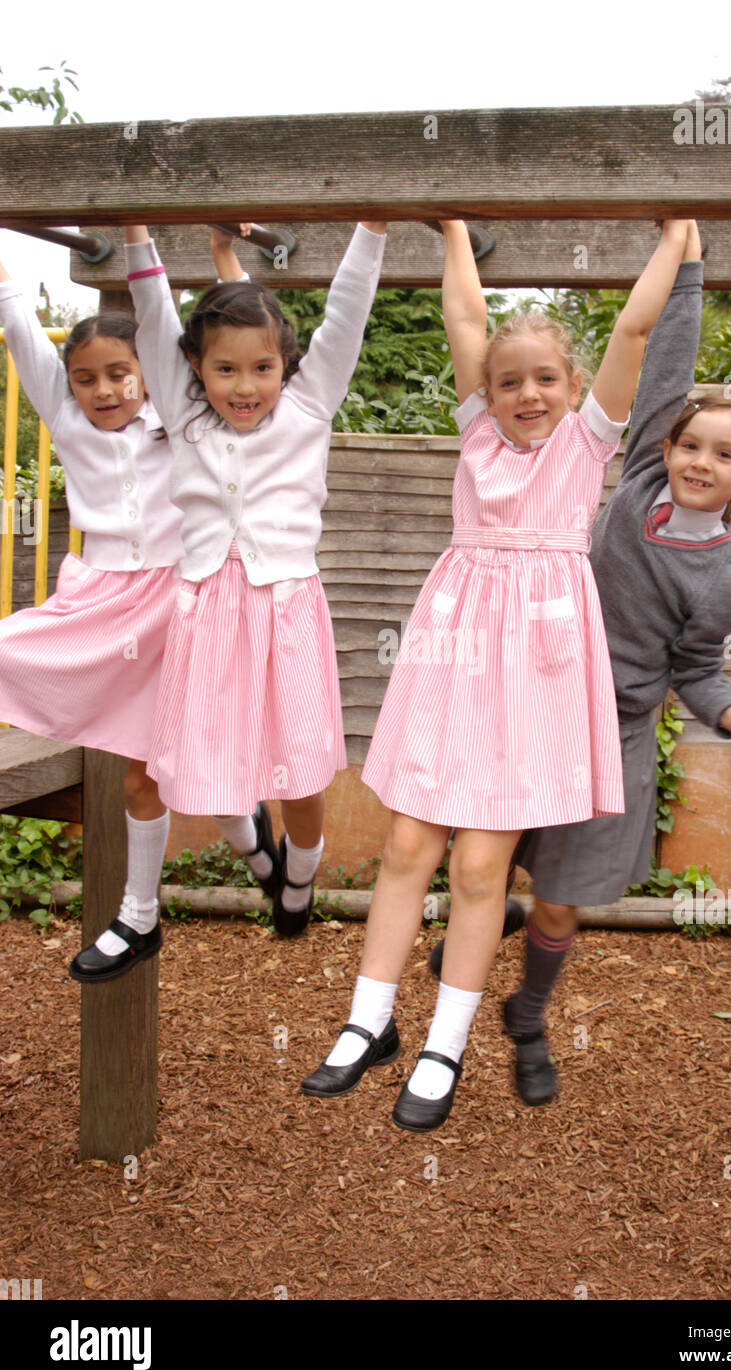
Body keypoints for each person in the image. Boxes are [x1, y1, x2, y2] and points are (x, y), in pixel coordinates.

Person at [302, 218, 694, 1131]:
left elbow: (634, 331)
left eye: (545, 380)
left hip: (539, 665)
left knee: (482, 868)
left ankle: (444, 1045)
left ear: (572, 390)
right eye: (509, 381)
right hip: (455, 642)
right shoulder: (478, 430)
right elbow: (464, 317)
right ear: (487, 391)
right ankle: (368, 1023)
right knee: (407, 846)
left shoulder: (587, 443)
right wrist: (453, 229)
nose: (526, 393)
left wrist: (674, 238)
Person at [504, 221, 731, 1105]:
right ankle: (482, 933)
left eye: (725, 454)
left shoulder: (721, 578)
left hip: (616, 727)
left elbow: (697, 670)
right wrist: (691, 264)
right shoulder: (636, 480)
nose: (701, 460)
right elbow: (663, 357)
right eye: (691, 444)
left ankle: (529, 1011)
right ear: (665, 446)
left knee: (563, 896)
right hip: (541, 694)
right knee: (486, 853)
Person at [123, 218, 386, 936]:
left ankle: (300, 872)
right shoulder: (185, 417)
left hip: (286, 609)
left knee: (299, 771)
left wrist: (372, 227)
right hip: (205, 607)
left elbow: (346, 315)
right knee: (204, 759)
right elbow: (152, 318)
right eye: (226, 370)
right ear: (195, 371)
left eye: (262, 369)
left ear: (287, 369)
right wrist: (135, 233)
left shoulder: (307, 408)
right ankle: (259, 859)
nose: (245, 386)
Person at [0, 251, 184, 982]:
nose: (103, 389)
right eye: (86, 378)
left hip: (171, 600)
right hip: (99, 597)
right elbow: (20, 332)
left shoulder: (173, 421)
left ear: (145, 376)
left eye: (118, 374)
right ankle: (147, 910)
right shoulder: (66, 419)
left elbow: (174, 334)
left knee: (150, 771)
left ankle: (140, 911)